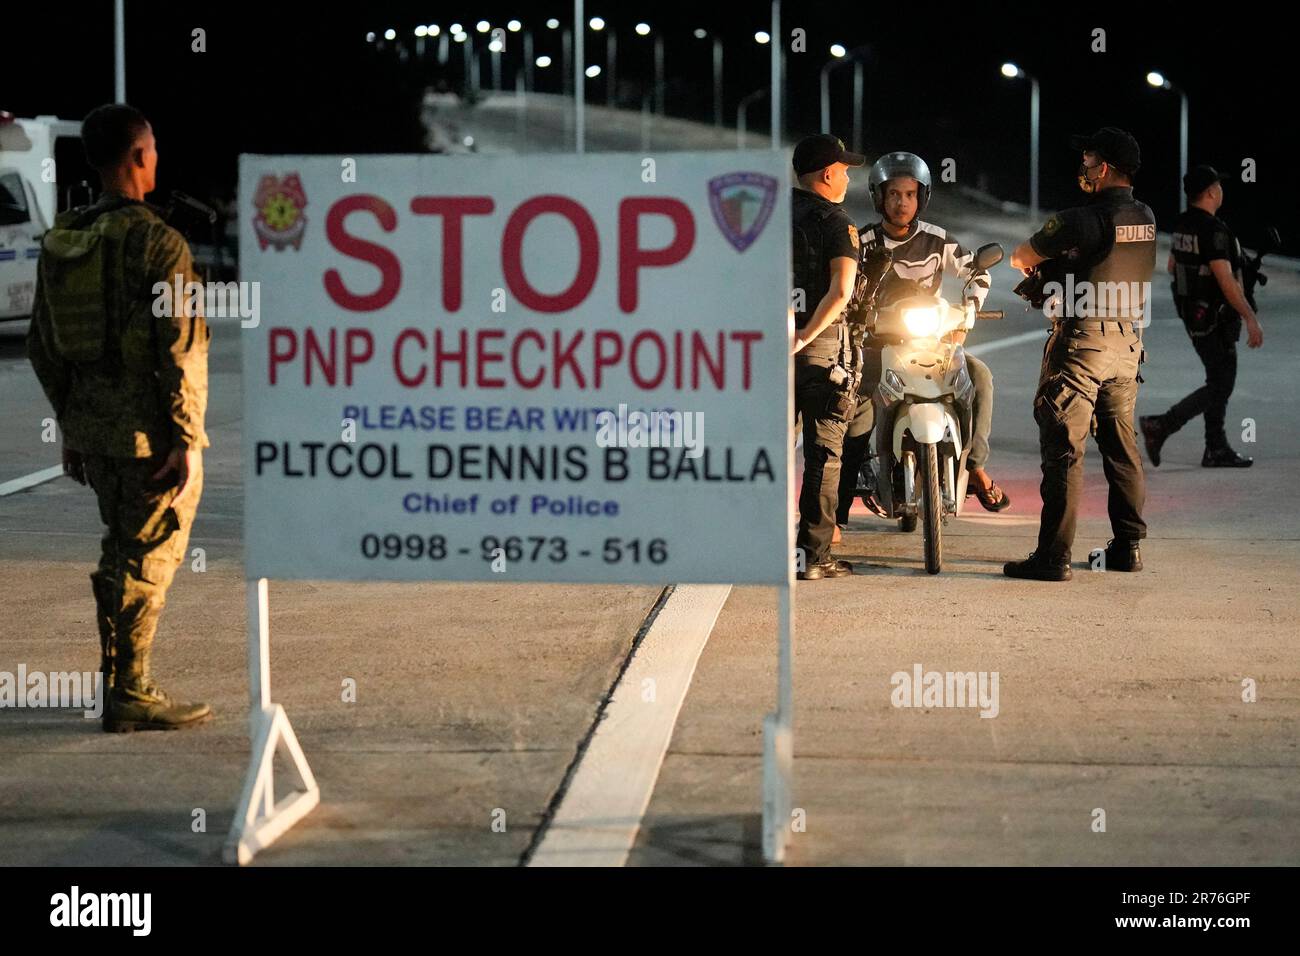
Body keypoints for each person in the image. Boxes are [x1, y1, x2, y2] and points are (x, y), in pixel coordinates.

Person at [27, 104, 213, 731]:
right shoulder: (158, 243)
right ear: (138, 157)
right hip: (149, 438)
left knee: (121, 551)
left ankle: (120, 684)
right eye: (152, 148)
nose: (156, 157)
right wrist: (186, 439)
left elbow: (43, 345)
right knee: (148, 556)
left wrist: (71, 425)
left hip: (96, 435)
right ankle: (130, 690)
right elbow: (181, 348)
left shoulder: (66, 238)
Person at [1004, 128, 1155, 581]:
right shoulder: (1144, 215)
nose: (1084, 171)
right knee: (1121, 449)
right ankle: (1127, 548)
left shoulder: (1080, 219)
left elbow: (1019, 255)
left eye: (1088, 163)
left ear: (1104, 168)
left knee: (1065, 451)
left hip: (1082, 345)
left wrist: (1053, 262)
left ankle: (1052, 558)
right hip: (1128, 345)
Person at [836, 151, 1010, 531]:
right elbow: (841, 285)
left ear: (922, 197)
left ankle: (976, 465)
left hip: (930, 343)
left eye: (910, 194)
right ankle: (839, 506)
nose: (902, 202)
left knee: (980, 378)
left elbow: (976, 274)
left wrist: (968, 310)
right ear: (879, 197)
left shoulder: (938, 240)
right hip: (877, 346)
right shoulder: (860, 242)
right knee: (856, 406)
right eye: (894, 194)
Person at [1139, 165, 1263, 468]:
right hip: (1216, 317)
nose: (1221, 190)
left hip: (1192, 315)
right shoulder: (1214, 230)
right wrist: (1249, 317)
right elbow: (1225, 279)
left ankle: (1215, 447)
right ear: (1210, 192)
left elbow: (1172, 267)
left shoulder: (1183, 224)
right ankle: (1162, 426)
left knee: (1218, 379)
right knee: (1221, 383)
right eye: (1219, 185)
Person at [790, 134, 866, 580]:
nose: (847, 178)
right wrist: (804, 335)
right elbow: (840, 292)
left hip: (766, 343)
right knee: (823, 453)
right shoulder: (837, 222)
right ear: (827, 173)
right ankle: (813, 557)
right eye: (844, 170)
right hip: (818, 349)